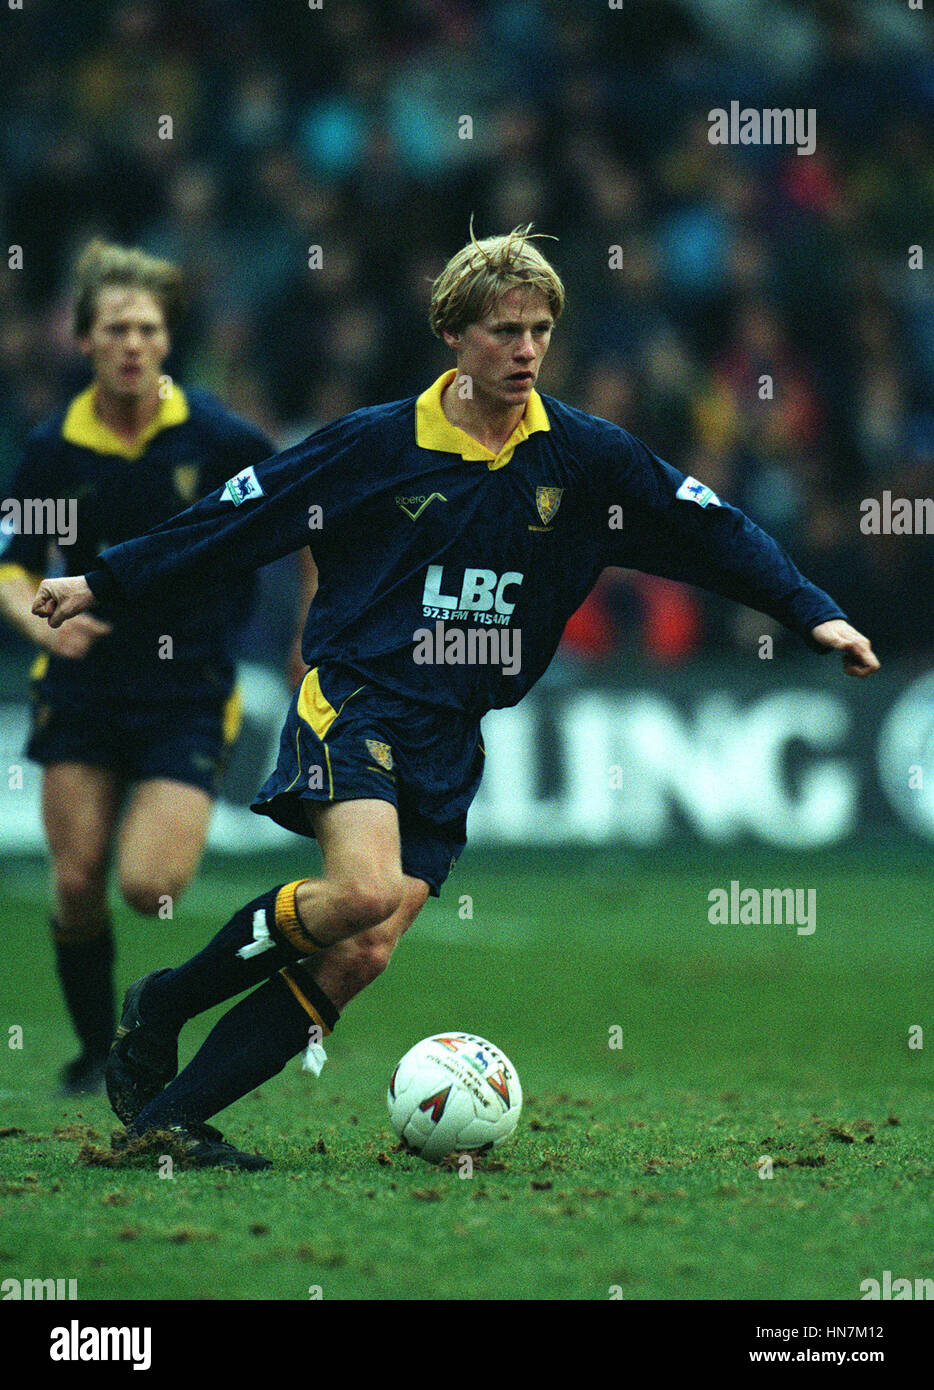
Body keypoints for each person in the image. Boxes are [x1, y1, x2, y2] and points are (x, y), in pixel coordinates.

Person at [31, 226, 879, 1168]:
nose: (526, 350)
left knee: (363, 949)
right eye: (504, 330)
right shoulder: (377, 443)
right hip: (357, 697)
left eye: (540, 330)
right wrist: (103, 582)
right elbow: (239, 515)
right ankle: (165, 1002)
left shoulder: (583, 458)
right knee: (362, 891)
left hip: (451, 731)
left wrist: (814, 613)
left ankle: (172, 1118)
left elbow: (710, 528)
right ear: (454, 334)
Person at [0, 239, 281, 1095]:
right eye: (116, 328)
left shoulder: (219, 439)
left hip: (187, 688)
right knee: (76, 878)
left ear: (168, 339)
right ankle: (95, 1055)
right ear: (84, 339)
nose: (133, 344)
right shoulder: (56, 451)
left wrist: (313, 626)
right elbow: (14, 567)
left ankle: (152, 1008)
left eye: (149, 329)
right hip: (84, 685)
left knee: (149, 887)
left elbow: (305, 515)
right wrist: (40, 624)